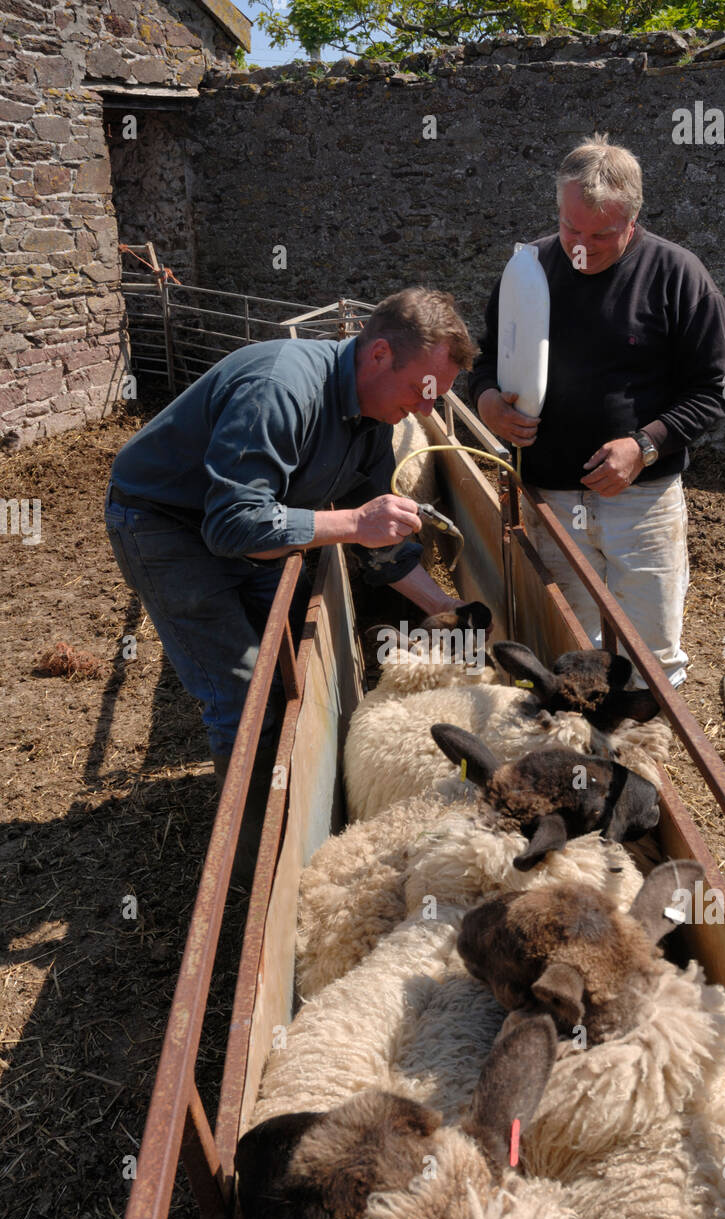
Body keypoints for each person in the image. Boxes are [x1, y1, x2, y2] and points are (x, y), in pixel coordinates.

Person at [105, 287, 477, 876]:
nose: (427, 411)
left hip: (254, 528)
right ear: (378, 354)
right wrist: (352, 523)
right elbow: (233, 524)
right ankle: (256, 869)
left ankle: (279, 805)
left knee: (287, 669)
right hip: (166, 525)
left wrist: (449, 609)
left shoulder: (372, 416)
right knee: (244, 690)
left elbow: (377, 538)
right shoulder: (280, 389)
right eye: (422, 390)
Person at [468, 134, 725, 690]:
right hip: (551, 496)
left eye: (601, 234)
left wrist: (645, 444)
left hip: (640, 498)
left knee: (650, 651)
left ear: (633, 221)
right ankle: (582, 753)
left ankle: (643, 757)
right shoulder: (527, 270)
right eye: (570, 228)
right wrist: (487, 400)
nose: (581, 246)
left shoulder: (679, 276)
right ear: (558, 210)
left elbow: (717, 389)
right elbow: (487, 358)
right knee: (568, 644)